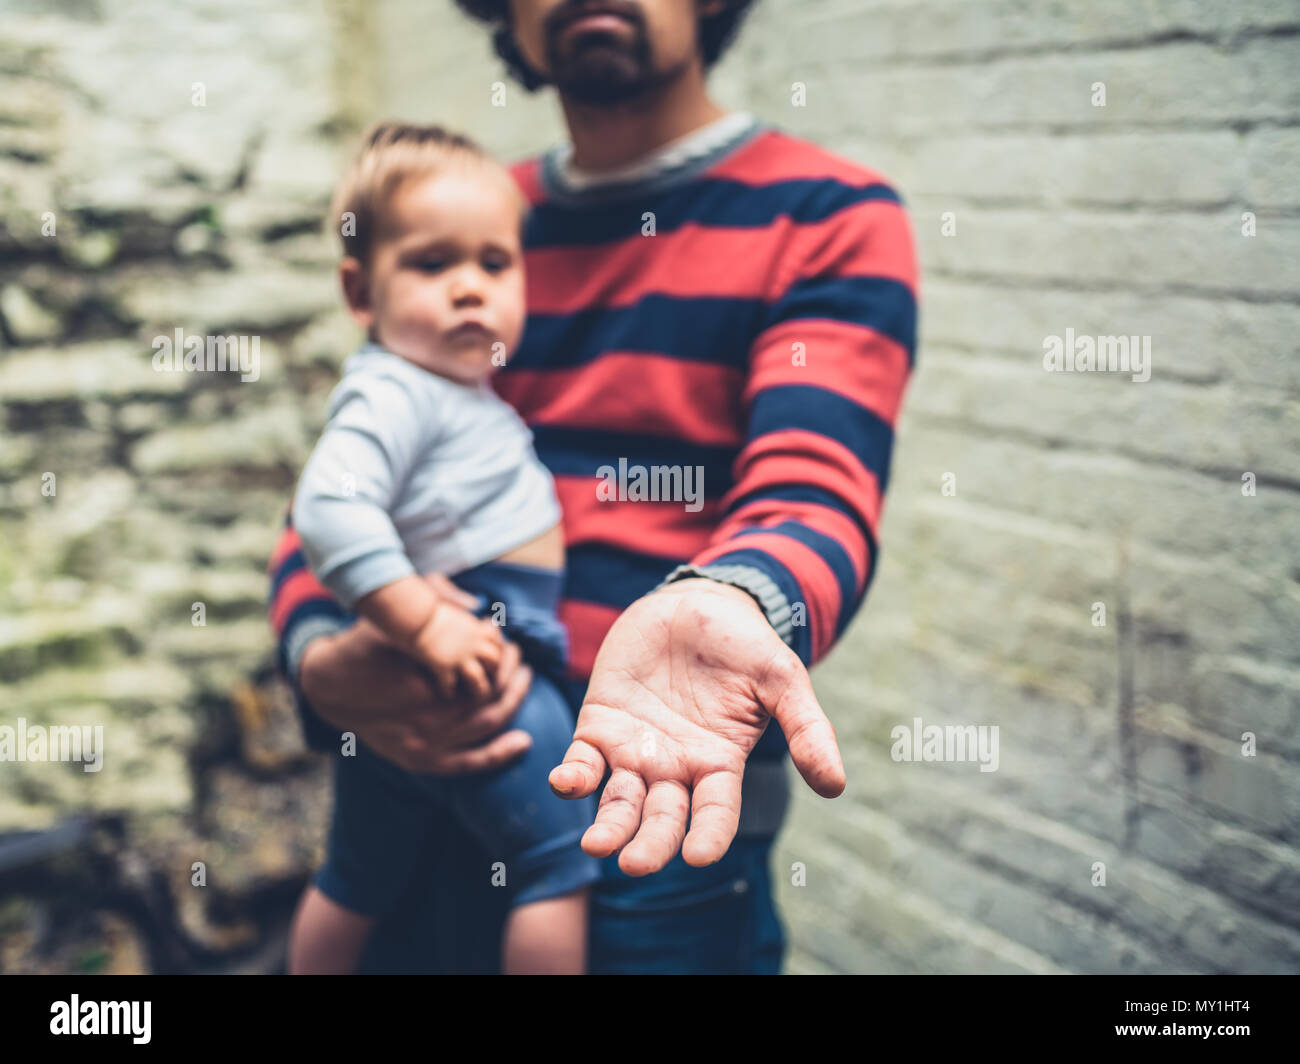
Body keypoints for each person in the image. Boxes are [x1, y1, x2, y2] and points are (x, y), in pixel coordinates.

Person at [267, 0, 918, 974]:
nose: (474, 278)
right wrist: (321, 657)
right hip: (428, 766)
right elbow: (346, 486)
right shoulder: (477, 214)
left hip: (659, 795)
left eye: (492, 266)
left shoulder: (825, 214)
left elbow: (812, 491)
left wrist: (727, 599)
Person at [284, 123, 599, 975]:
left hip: (423, 667)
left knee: (359, 875)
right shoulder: (397, 390)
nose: (470, 288)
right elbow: (327, 509)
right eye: (432, 265)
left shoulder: (447, 390)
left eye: (495, 265)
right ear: (361, 293)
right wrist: (425, 625)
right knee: (559, 862)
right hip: (477, 658)